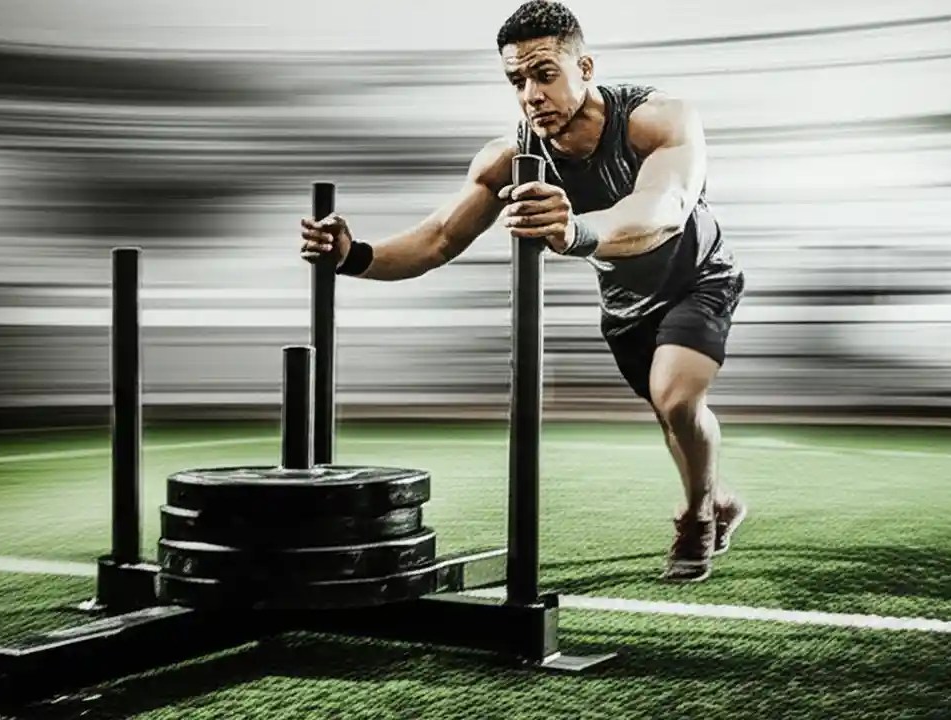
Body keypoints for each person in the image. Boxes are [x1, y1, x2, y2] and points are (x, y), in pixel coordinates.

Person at [298, 0, 746, 583]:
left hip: (698, 277)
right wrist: (353, 256)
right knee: (671, 414)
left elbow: (664, 210)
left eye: (545, 74)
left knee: (675, 396)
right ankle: (717, 499)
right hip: (625, 305)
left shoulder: (658, 119)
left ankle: (697, 518)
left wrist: (576, 230)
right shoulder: (511, 158)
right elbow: (438, 240)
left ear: (586, 68)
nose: (531, 94)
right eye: (517, 81)